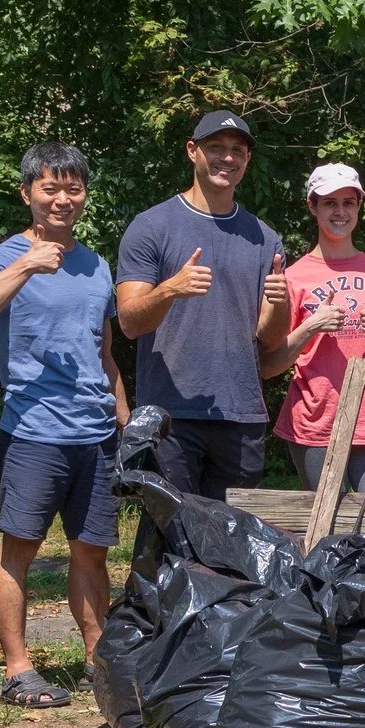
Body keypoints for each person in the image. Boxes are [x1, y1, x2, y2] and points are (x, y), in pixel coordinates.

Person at [0, 143, 130, 709]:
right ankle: (18, 669)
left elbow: (103, 353)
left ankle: (97, 661)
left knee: (92, 552)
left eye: (72, 188)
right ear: (28, 193)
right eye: (50, 188)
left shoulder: (97, 265)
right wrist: (27, 263)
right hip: (32, 429)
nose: (62, 198)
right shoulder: (3, 256)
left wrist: (124, 421)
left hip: (94, 431)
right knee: (18, 549)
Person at [115, 110, 290, 497]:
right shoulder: (151, 226)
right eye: (216, 147)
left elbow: (270, 338)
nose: (227, 158)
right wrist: (169, 290)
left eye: (237, 150)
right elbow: (129, 321)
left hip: (241, 414)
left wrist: (281, 304)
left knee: (232, 543)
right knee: (169, 540)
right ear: (193, 151)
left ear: (246, 160)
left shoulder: (264, 238)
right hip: (170, 417)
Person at [265, 163, 365, 495]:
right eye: (330, 202)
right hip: (316, 425)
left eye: (348, 202)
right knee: (329, 529)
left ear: (359, 206)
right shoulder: (294, 277)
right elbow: (270, 366)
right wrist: (311, 327)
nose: (340, 211)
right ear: (312, 207)